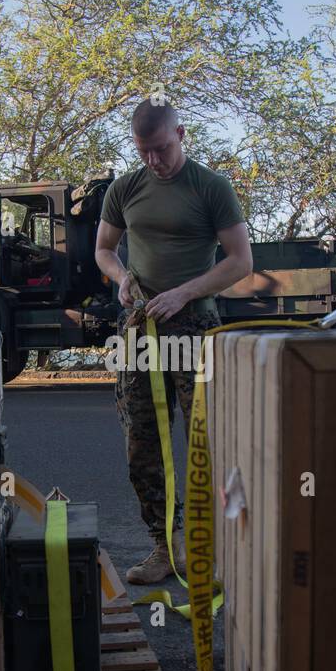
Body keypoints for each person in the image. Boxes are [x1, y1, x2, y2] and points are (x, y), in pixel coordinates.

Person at [94, 98, 253, 584]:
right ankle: (167, 549)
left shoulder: (211, 187)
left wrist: (185, 292)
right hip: (140, 329)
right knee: (142, 444)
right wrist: (120, 276)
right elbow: (103, 249)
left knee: (210, 443)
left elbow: (241, 261)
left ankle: (221, 551)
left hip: (195, 329)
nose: (154, 161)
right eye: (144, 152)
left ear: (181, 134)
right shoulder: (125, 188)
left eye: (161, 149)